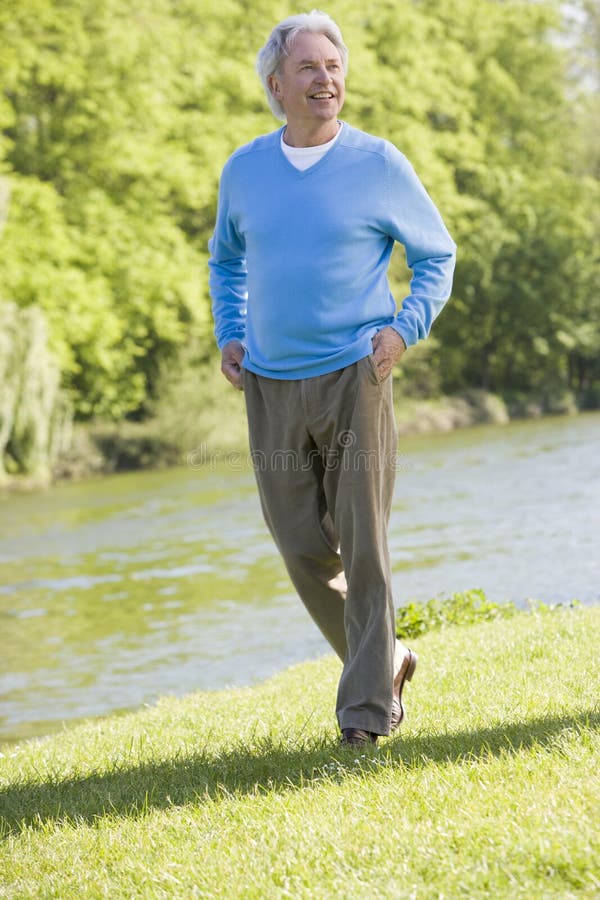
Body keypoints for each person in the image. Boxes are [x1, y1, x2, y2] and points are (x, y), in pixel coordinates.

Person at [208, 11, 456, 746]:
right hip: (271, 383)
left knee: (364, 544)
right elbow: (225, 260)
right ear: (277, 84)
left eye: (335, 66)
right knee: (300, 547)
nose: (326, 79)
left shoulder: (378, 163)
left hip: (355, 374)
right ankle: (392, 659)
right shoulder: (245, 169)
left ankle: (366, 719)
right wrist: (231, 329)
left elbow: (437, 256)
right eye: (310, 68)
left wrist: (403, 328)